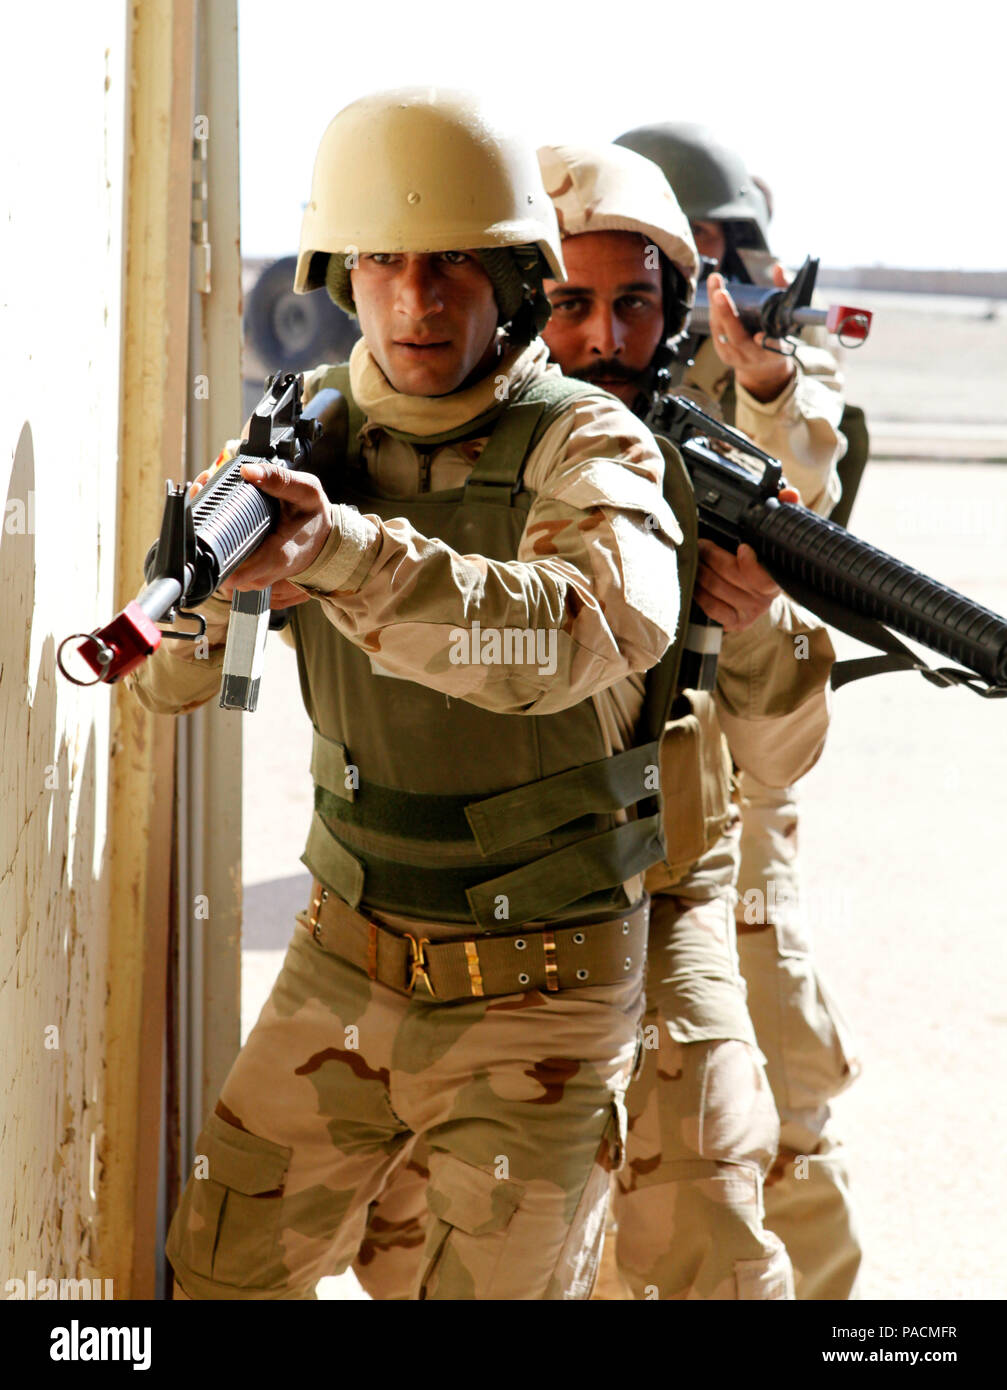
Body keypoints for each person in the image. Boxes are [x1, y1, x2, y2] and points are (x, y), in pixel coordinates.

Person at [126, 87, 687, 1302]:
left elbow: (587, 631)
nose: (416, 300)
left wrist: (340, 556)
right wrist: (207, 596)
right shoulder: (306, 433)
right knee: (218, 1275)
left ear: (515, 280)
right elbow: (176, 687)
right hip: (346, 951)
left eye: (452, 267)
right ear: (342, 273)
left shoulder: (587, 444)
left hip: (540, 986)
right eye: (384, 260)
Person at [351, 141, 838, 1301]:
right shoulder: (431, 451)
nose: (602, 340)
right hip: (474, 911)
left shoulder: (698, 473)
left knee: (718, 1223)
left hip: (664, 894)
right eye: (568, 304)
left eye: (633, 305)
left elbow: (776, 758)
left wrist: (755, 625)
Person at [616, 121, 862, 1300]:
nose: (702, 272)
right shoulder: (594, 357)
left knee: (785, 1113)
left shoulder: (771, 372)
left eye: (721, 245)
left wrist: (760, 380)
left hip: (740, 782)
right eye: (680, 249)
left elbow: (814, 485)